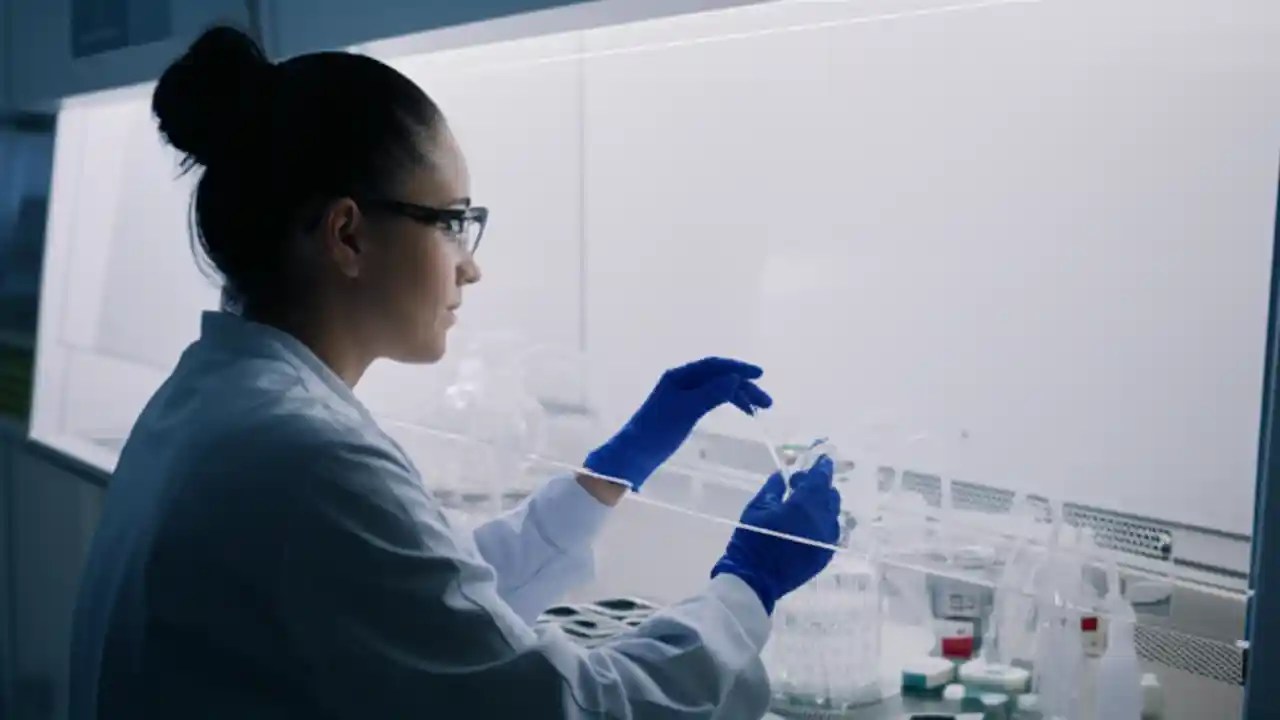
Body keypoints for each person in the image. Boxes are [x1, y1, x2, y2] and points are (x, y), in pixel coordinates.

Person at [68, 26, 842, 719]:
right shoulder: (300, 455)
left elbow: (432, 605)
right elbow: (566, 709)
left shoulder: (225, 402)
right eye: (453, 223)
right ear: (348, 234)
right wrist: (748, 586)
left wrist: (608, 474)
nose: (470, 268)